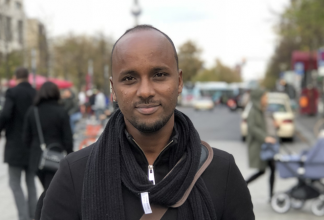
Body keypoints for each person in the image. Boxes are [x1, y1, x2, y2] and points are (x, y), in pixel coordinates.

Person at [39, 25, 254, 220]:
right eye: (129, 78)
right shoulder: (74, 175)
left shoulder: (222, 172)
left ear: (179, 82)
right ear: (113, 89)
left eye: (159, 75)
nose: (145, 92)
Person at [0, 67, 36, 220]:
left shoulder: (12, 92)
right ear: (28, 77)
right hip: (32, 144)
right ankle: (33, 215)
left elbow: (6, 113)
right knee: (31, 183)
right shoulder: (35, 93)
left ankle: (24, 217)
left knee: (14, 183)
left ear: (15, 77)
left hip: (15, 144)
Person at [23, 82, 73, 190]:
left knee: (47, 190)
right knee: (53, 190)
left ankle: (45, 205)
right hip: (57, 156)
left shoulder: (33, 111)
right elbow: (68, 139)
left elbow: (26, 137)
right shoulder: (61, 111)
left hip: (37, 158)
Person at [245, 89, 277, 200]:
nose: (266, 99)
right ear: (259, 98)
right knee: (264, 170)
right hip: (259, 146)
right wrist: (265, 137)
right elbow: (253, 128)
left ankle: (271, 195)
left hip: (265, 146)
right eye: (265, 97)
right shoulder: (253, 111)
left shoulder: (262, 110)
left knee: (270, 169)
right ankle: (243, 185)